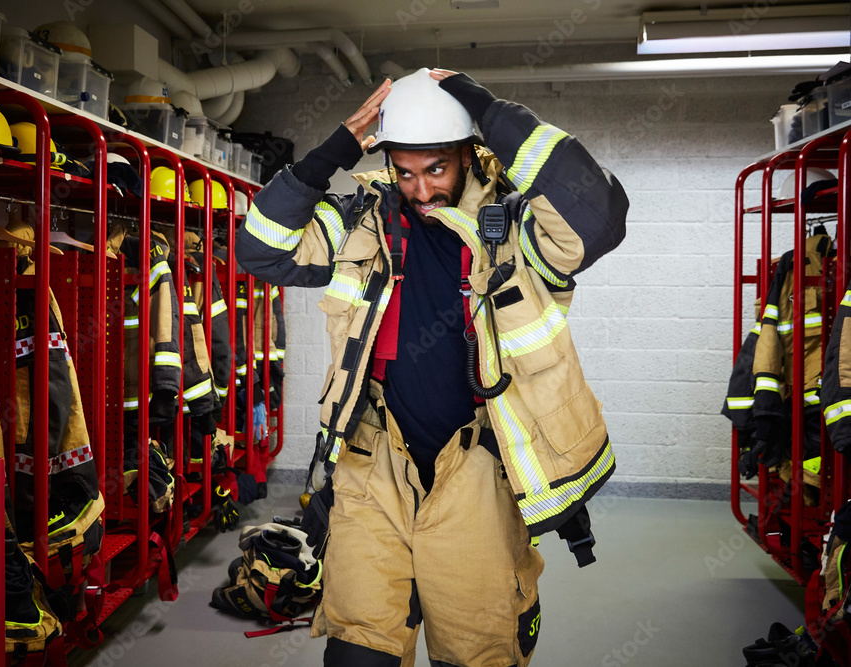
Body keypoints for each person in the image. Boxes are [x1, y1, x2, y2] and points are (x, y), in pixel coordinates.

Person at [235, 68, 629, 666]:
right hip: (374, 463)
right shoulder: (363, 219)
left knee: (473, 651)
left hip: (479, 469)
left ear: (469, 156)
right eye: (406, 171)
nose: (420, 191)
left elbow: (599, 220)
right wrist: (337, 147)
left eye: (437, 169)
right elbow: (263, 247)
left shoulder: (516, 225)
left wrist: (488, 110)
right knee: (356, 651)